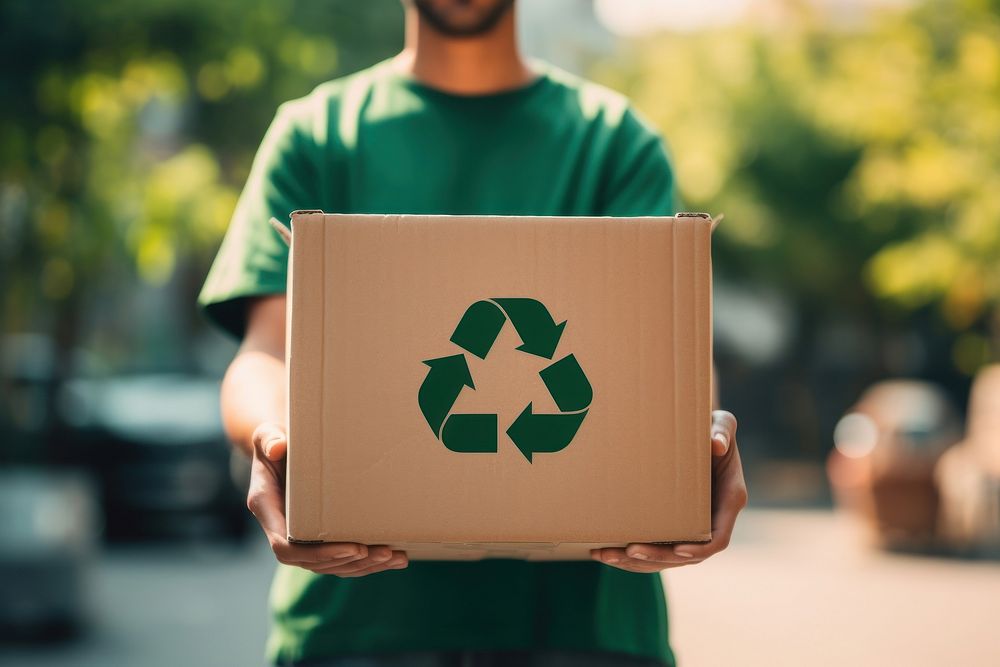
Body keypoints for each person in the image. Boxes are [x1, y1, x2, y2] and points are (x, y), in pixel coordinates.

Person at [198, 1, 748, 665]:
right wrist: (272, 441)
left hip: (584, 628)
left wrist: (698, 442)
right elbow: (265, 351)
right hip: (358, 626)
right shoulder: (316, 135)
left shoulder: (612, 141)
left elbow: (673, 356)